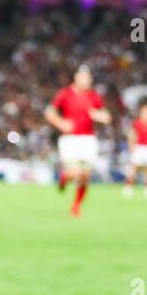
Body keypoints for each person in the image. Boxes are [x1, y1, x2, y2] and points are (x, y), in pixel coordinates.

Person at [45, 65, 111, 218]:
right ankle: (64, 177)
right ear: (76, 77)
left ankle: (76, 206)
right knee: (74, 172)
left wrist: (100, 116)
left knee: (86, 176)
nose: (86, 80)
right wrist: (61, 123)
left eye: (88, 77)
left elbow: (106, 116)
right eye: (83, 76)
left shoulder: (94, 96)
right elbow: (49, 112)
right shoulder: (65, 93)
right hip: (70, 139)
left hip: (88, 138)